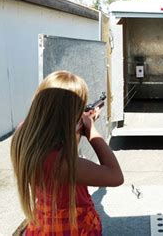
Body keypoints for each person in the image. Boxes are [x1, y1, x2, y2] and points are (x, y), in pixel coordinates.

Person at [10, 70, 123, 235]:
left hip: (43, 222)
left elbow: (61, 145)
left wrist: (77, 128)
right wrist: (90, 129)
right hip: (72, 228)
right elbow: (115, 176)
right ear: (70, 114)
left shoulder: (24, 133)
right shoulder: (61, 164)